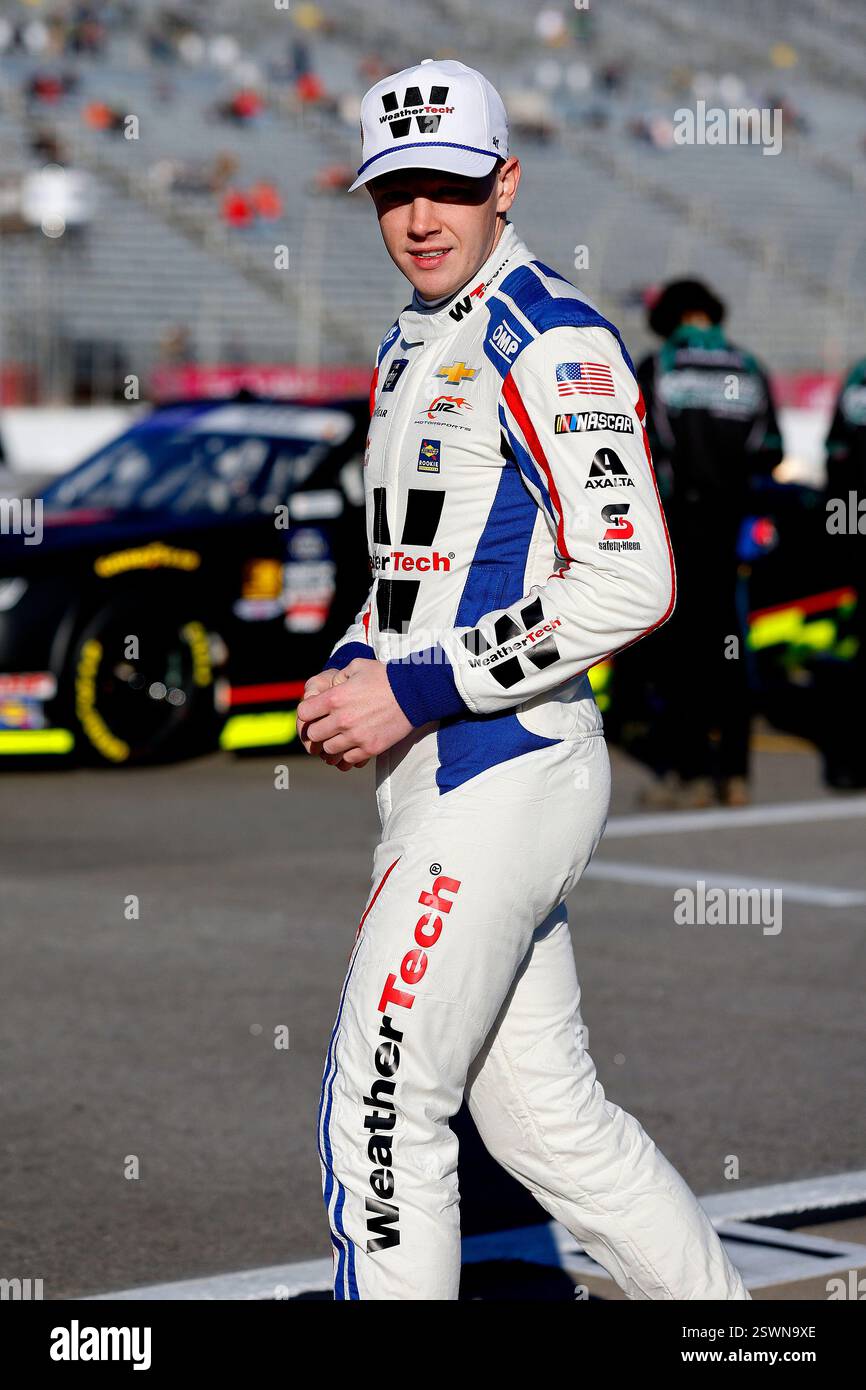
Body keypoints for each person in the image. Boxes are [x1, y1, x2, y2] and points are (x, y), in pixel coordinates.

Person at [298, 60, 750, 1302]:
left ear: (505, 183)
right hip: (441, 776)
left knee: (378, 1111)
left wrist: (415, 689)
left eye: (447, 186)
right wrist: (356, 656)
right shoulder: (412, 338)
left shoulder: (546, 334)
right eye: (394, 192)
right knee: (554, 1133)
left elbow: (631, 582)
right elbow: (412, 574)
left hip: (503, 771)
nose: (419, 218)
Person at [637, 280, 783, 808]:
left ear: (675, 317)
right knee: (730, 646)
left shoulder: (661, 365)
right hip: (733, 529)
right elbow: (771, 451)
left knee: (678, 649)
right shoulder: (750, 367)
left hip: (676, 530)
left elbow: (639, 449)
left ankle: (692, 771)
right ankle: (737, 775)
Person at [821, 356, 866, 788]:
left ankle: (848, 762)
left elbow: (835, 456)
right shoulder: (858, 375)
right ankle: (848, 762)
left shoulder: (857, 376)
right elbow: (836, 456)